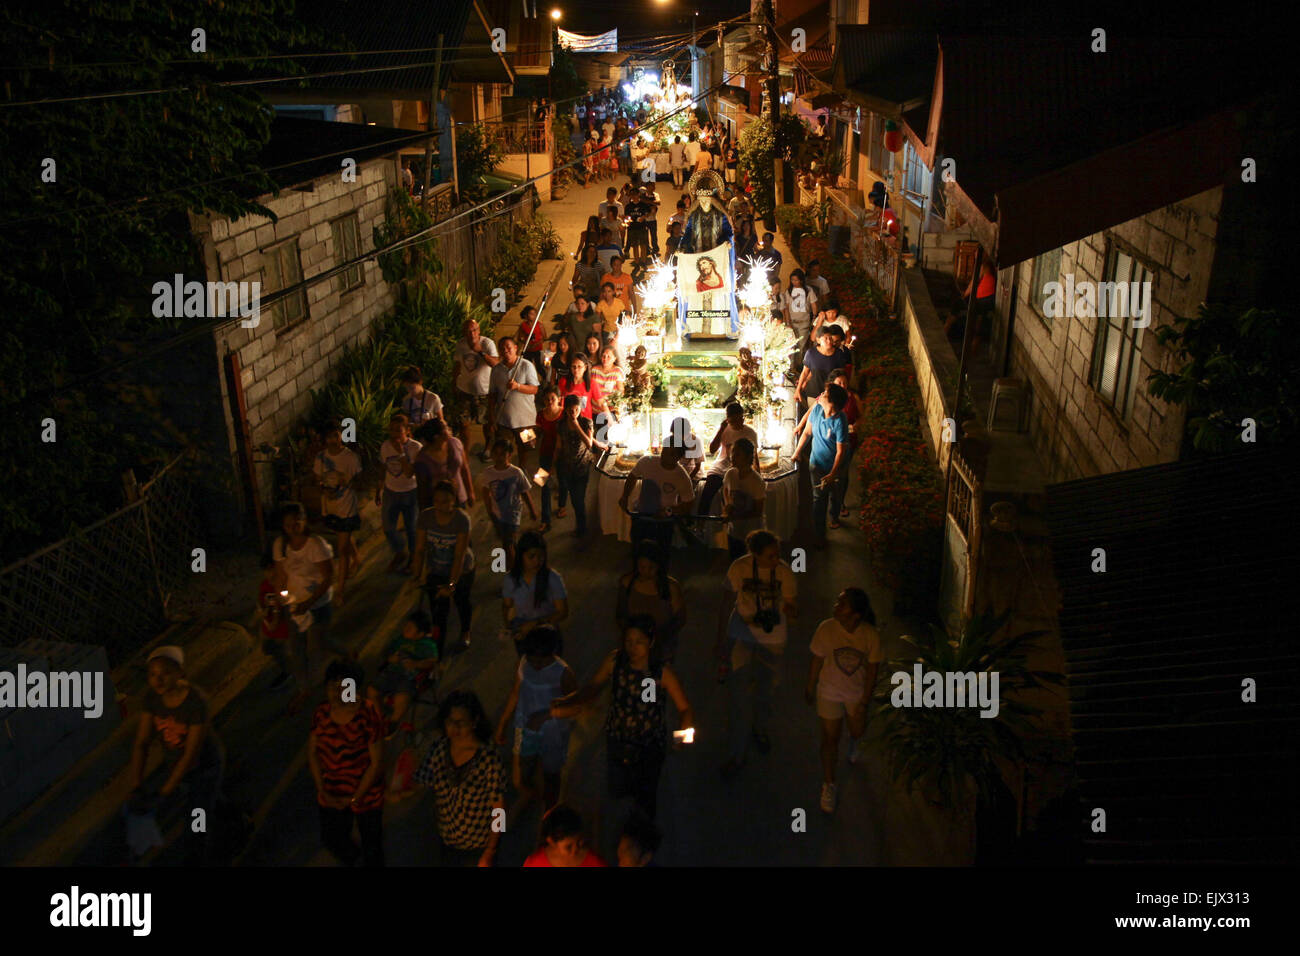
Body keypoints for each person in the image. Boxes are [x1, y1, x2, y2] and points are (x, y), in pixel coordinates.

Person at [551, 616, 695, 821]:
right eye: (628, 641)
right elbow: (592, 688)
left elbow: (685, 708)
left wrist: (682, 738)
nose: (632, 648)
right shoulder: (615, 662)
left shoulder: (661, 673)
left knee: (645, 795)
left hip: (649, 745)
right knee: (619, 789)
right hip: (618, 739)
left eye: (639, 642)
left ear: (651, 642)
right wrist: (567, 700)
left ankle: (642, 835)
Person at [125, 645, 224, 864]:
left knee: (196, 822)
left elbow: (191, 753)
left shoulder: (196, 703)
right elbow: (142, 743)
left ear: (180, 673)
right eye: (153, 675)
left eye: (165, 673)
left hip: (203, 768)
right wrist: (136, 784)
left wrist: (164, 792)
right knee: (200, 806)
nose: (158, 680)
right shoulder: (152, 699)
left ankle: (202, 858)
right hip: (177, 767)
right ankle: (229, 820)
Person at [717, 530, 798, 775]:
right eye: (771, 556)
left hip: (772, 638)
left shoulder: (784, 572)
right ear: (755, 554)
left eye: (778, 554)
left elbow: (792, 606)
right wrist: (721, 639)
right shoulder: (739, 568)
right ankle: (737, 753)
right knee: (739, 697)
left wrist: (789, 610)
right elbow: (725, 603)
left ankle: (759, 729)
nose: (777, 560)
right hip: (742, 633)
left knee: (765, 690)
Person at [395, 691, 505, 867]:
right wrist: (401, 793)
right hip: (447, 840)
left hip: (478, 846)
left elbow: (499, 810)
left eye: (460, 722)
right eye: (450, 721)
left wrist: (490, 851)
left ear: (474, 722)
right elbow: (423, 781)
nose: (454, 728)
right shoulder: (439, 749)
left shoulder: (488, 759)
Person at [807, 588, 882, 813]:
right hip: (829, 690)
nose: (836, 606)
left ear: (856, 614)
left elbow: (872, 670)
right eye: (838, 602)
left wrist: (865, 700)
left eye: (843, 604)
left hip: (855, 693)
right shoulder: (826, 628)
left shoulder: (870, 635)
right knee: (829, 739)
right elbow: (817, 660)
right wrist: (810, 686)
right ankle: (829, 784)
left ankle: (854, 741)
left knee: (857, 730)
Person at [307, 658, 385, 866]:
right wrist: (322, 790)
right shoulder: (321, 713)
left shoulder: (367, 714)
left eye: (344, 686)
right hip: (331, 791)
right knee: (332, 839)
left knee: (372, 846)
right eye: (332, 685)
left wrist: (354, 798)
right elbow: (313, 752)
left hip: (366, 794)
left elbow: (376, 763)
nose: (336, 692)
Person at [494, 625, 576, 815]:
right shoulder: (524, 663)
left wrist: (546, 715)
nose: (536, 665)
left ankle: (549, 812)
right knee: (519, 779)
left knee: (551, 776)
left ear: (553, 654)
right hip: (525, 729)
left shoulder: (563, 673)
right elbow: (516, 692)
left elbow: (576, 706)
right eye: (533, 660)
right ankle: (531, 795)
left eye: (542, 661)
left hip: (552, 734)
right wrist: (502, 724)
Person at [272, 502, 344, 697]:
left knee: (315, 648)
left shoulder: (315, 545)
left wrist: (308, 603)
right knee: (296, 648)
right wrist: (280, 597)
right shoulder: (280, 545)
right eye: (288, 525)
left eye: (296, 523)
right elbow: (280, 574)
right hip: (295, 605)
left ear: (304, 520)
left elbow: (328, 577)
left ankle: (325, 678)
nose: (293, 528)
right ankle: (304, 688)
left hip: (317, 605)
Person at [411, 480, 475, 654]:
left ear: (453, 500)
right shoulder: (426, 517)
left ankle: (465, 630)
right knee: (438, 613)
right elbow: (419, 549)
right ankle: (437, 652)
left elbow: (459, 556)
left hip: (461, 570)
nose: (441, 506)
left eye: (445, 501)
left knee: (462, 602)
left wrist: (452, 585)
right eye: (437, 501)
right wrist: (416, 576)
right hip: (436, 569)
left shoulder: (462, 520)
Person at [619, 427, 697, 557]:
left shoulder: (681, 476)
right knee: (638, 551)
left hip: (663, 522)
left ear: (678, 457)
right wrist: (624, 496)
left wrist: (667, 511)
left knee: (661, 553)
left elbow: (688, 503)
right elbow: (632, 476)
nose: (666, 455)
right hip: (641, 515)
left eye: (672, 453)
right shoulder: (646, 462)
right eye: (665, 450)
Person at [792, 383, 849, 548]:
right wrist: (797, 452)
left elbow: (840, 451)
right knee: (818, 499)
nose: (821, 394)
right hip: (816, 464)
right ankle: (819, 535)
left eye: (825, 393)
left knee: (836, 496)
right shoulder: (817, 410)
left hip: (835, 468)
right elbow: (807, 432)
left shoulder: (840, 420)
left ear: (831, 402)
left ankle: (835, 515)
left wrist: (833, 473)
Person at [312, 420, 362, 603]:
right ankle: (357, 556)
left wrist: (346, 482)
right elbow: (318, 480)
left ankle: (340, 589)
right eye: (329, 437)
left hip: (346, 508)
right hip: (330, 508)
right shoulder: (320, 458)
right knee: (344, 539)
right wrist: (324, 490)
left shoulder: (350, 458)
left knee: (341, 549)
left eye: (336, 435)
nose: (334, 440)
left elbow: (358, 480)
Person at [367, 611, 439, 735]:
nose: (405, 629)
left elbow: (432, 662)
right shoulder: (400, 640)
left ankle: (393, 723)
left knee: (401, 697)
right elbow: (386, 653)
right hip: (391, 672)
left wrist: (416, 664)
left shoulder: (427, 645)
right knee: (372, 691)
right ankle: (380, 719)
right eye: (406, 626)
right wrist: (390, 658)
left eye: (410, 628)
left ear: (420, 633)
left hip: (409, 677)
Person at [616, 540, 686, 663]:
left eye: (651, 568)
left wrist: (659, 639)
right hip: (633, 649)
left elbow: (680, 619)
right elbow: (621, 614)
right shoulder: (627, 583)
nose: (646, 572)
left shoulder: (671, 588)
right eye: (642, 567)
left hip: (662, 649)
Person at [501, 531, 569, 656]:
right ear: (521, 555)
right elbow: (507, 606)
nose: (537, 561)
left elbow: (563, 611)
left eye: (541, 556)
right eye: (531, 556)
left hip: (548, 636)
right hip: (523, 636)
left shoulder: (552, 578)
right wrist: (511, 628)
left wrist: (535, 624)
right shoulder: (511, 579)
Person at [479, 436, 538, 567]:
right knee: (507, 542)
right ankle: (518, 563)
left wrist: (532, 510)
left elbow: (525, 491)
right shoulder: (488, 473)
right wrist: (490, 511)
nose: (499, 457)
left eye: (503, 454)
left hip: (512, 513)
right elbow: (485, 492)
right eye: (496, 453)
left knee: (508, 542)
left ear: (509, 455)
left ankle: (514, 571)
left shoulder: (516, 472)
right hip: (497, 514)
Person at [375, 414, 422, 572]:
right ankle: (399, 551)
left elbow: (409, 473)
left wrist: (401, 453)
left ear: (407, 431)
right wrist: (378, 489)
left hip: (410, 492)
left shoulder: (416, 448)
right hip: (390, 492)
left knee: (411, 528)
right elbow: (383, 467)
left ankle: (413, 558)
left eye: (398, 431)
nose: (394, 435)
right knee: (388, 527)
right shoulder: (385, 446)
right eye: (391, 431)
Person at [487, 337, 540, 474]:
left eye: (508, 347)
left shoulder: (526, 366)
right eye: (502, 348)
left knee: (527, 447)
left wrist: (518, 386)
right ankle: (506, 472)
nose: (506, 351)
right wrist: (492, 417)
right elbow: (492, 395)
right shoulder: (497, 370)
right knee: (503, 448)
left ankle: (522, 470)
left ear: (516, 348)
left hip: (526, 421)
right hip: (504, 420)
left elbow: (534, 389)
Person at [554, 393, 604, 537]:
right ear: (566, 410)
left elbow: (588, 443)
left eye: (576, 409)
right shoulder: (561, 425)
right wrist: (553, 464)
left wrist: (576, 426)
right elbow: (558, 446)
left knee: (578, 498)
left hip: (582, 466)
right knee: (574, 498)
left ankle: (582, 528)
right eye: (570, 410)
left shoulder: (586, 422)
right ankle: (580, 525)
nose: (573, 413)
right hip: (566, 466)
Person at [699, 402, 758, 516]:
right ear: (727, 420)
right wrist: (721, 430)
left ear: (743, 417)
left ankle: (730, 521)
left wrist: (757, 473)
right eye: (732, 421)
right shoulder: (725, 429)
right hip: (721, 467)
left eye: (739, 420)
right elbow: (712, 450)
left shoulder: (750, 433)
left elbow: (754, 455)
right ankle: (700, 522)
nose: (736, 424)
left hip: (740, 468)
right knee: (708, 492)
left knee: (733, 496)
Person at [413, 419, 473, 511]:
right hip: (439, 504)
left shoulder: (455, 443)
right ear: (437, 436)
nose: (450, 429)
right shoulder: (422, 459)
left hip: (459, 498)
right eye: (446, 428)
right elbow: (422, 489)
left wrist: (470, 492)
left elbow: (464, 468)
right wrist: (424, 511)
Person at [722, 437, 766, 561]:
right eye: (732, 452)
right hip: (734, 531)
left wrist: (734, 516)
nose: (732, 456)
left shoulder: (756, 481)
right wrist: (727, 508)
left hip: (752, 533)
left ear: (747, 457)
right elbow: (726, 492)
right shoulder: (730, 474)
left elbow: (758, 511)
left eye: (737, 454)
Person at [522, 804, 606, 866]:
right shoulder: (535, 862)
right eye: (568, 846)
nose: (575, 849)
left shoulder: (595, 862)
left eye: (579, 841)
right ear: (551, 841)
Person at [258, 555, 297, 692]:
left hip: (282, 629)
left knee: (282, 651)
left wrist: (275, 619)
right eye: (267, 570)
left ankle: (289, 672)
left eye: (272, 569)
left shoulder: (285, 584)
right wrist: (262, 612)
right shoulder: (265, 585)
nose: (270, 573)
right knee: (269, 648)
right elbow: (261, 602)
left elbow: (283, 607)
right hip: (269, 627)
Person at [795, 325, 850, 414]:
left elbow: (841, 375)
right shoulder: (811, 353)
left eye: (830, 338)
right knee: (815, 418)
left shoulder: (838, 354)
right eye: (825, 338)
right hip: (814, 392)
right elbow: (805, 372)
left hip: (832, 395)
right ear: (818, 340)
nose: (829, 341)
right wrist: (798, 390)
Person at [534, 386, 564, 534]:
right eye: (546, 399)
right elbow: (537, 432)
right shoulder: (540, 415)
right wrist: (530, 439)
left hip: (562, 454)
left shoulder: (564, 414)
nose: (550, 401)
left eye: (553, 398)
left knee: (563, 481)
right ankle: (545, 520)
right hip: (545, 453)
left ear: (559, 399)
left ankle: (562, 506)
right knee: (542, 484)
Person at [557, 353, 607, 429]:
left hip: (585, 423)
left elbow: (601, 403)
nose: (576, 369)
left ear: (585, 367)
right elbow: (558, 401)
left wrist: (610, 418)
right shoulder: (563, 382)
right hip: (567, 423)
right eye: (574, 367)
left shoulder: (591, 383)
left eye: (579, 367)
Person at [781, 269, 820, 351]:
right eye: (792, 280)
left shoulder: (808, 290)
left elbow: (814, 305)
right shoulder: (788, 291)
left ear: (801, 280)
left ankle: (800, 363)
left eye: (796, 280)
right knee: (791, 346)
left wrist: (814, 317)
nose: (794, 282)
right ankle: (793, 363)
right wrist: (788, 322)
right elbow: (786, 308)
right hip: (792, 322)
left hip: (804, 322)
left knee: (801, 346)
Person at [516, 305, 546, 374]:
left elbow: (544, 337)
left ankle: (544, 379)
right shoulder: (523, 325)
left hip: (538, 350)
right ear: (526, 315)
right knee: (527, 366)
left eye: (535, 314)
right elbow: (519, 337)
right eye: (531, 314)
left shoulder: (539, 325)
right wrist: (526, 343)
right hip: (528, 350)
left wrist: (536, 344)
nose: (534, 316)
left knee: (539, 367)